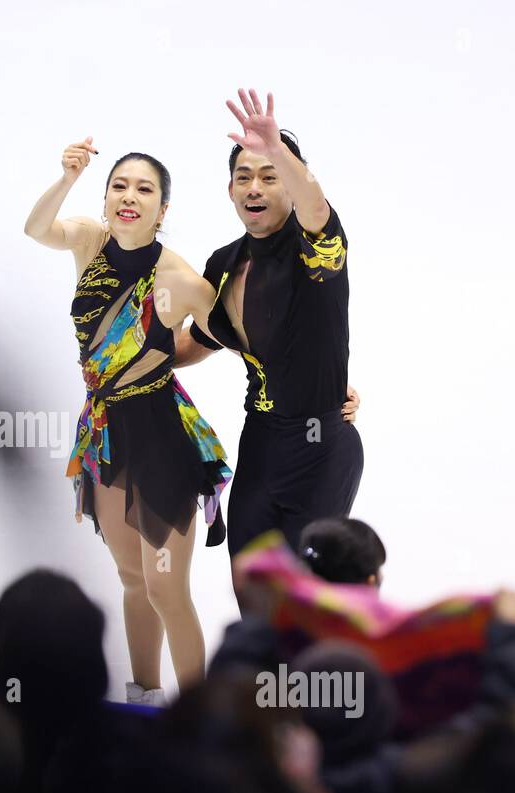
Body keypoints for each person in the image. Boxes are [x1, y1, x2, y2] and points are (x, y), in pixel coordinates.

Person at [24, 139, 233, 702]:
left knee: (167, 589)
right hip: (103, 432)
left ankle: (198, 720)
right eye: (120, 186)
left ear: (164, 209)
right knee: (132, 579)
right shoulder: (90, 243)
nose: (130, 197)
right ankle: (143, 696)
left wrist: (335, 385)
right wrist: (66, 177)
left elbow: (234, 335)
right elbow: (36, 229)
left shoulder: (181, 278)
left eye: (145, 189)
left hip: (162, 437)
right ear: (107, 197)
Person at [175, 90, 364, 605]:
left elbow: (316, 207)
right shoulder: (224, 262)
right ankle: (263, 689)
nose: (254, 187)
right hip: (259, 446)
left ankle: (319, 685)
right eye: (244, 177)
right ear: (229, 189)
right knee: (253, 597)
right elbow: (202, 340)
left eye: (270, 175)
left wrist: (279, 149)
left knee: (303, 603)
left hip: (322, 448)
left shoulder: (316, 251)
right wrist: (125, 364)